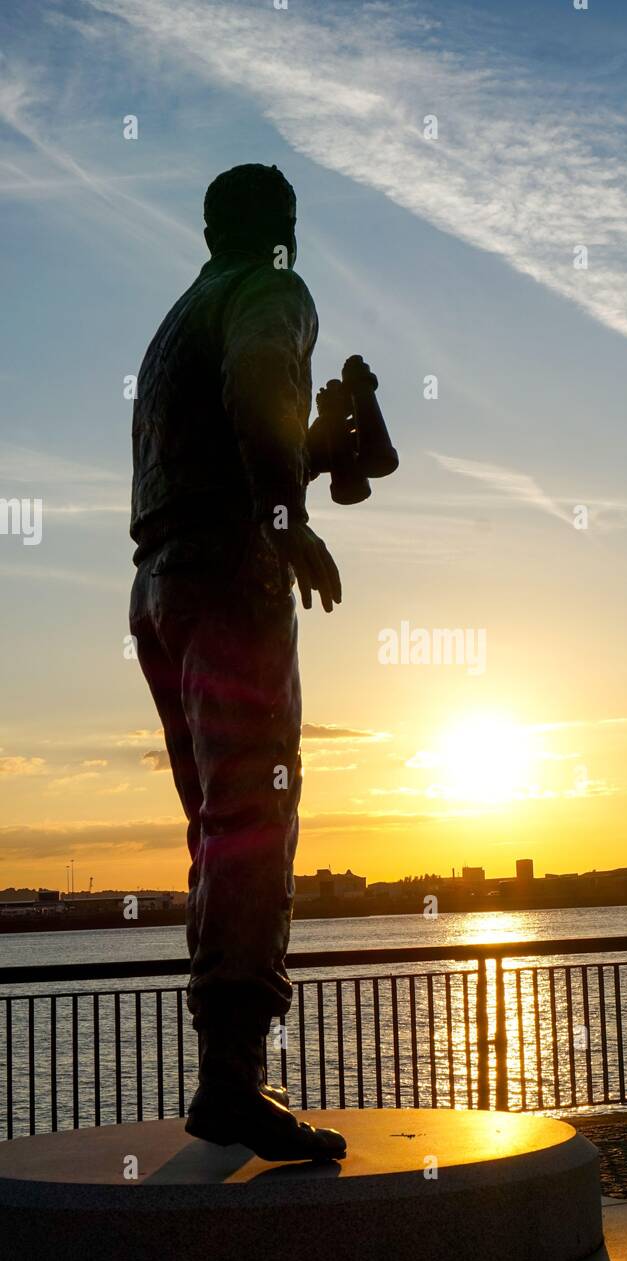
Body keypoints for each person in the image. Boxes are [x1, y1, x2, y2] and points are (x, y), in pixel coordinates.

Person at [129, 163, 346, 1161]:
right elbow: (259, 373)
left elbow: (227, 419)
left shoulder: (180, 313)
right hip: (227, 573)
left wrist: (309, 447)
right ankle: (230, 1082)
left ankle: (227, 1072)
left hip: (161, 588)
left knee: (218, 829)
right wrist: (285, 515)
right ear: (278, 229)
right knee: (256, 818)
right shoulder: (269, 289)